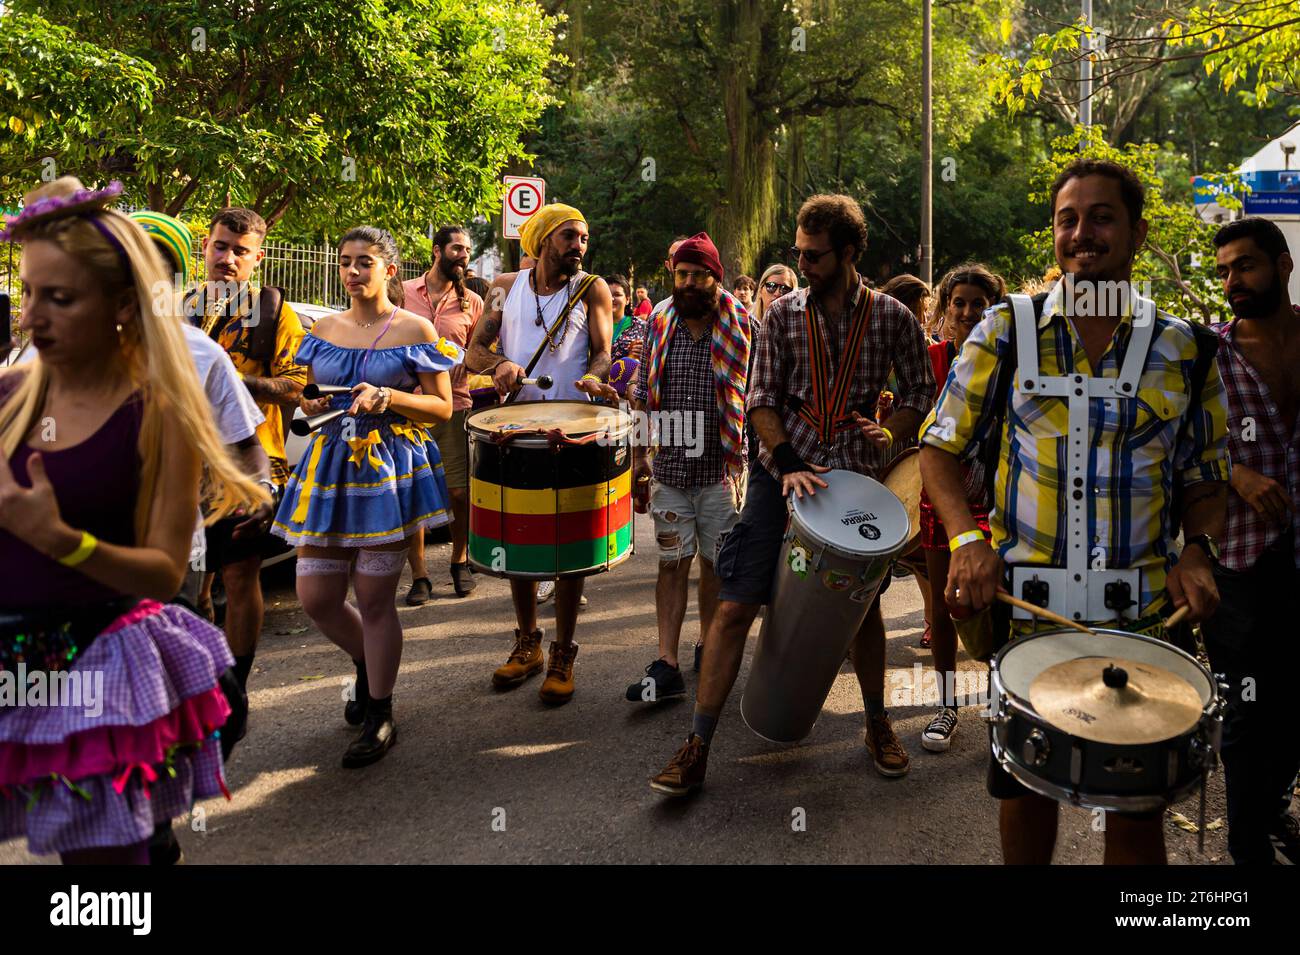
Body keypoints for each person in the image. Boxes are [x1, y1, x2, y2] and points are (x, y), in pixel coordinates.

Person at [920, 158, 1229, 864]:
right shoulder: (1006, 329)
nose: (1081, 233)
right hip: (1029, 616)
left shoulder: (1185, 349)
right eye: (1068, 218)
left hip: (1146, 621)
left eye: (1101, 217)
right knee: (1024, 789)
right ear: (1053, 232)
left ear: (1138, 233)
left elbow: (1206, 478)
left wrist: (1197, 551)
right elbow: (938, 449)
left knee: (1134, 808)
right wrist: (967, 536)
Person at [0, 177, 265, 863]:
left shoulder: (158, 414)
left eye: (59, 298)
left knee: (106, 872)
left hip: (99, 668)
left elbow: (164, 569)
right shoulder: (8, 394)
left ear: (123, 305)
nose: (31, 317)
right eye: (27, 292)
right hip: (11, 667)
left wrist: (60, 540)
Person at [650, 194, 933, 795]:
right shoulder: (780, 317)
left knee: (862, 611)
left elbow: (919, 390)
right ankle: (698, 742)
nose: (802, 265)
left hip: (856, 479)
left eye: (815, 255)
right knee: (735, 605)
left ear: (851, 252)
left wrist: (893, 434)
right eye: (798, 254)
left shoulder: (893, 318)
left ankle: (877, 724)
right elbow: (761, 401)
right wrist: (786, 465)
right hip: (778, 474)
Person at [272, 226, 461, 768]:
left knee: (376, 598)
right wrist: (309, 407)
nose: (354, 273)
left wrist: (389, 395)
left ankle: (381, 711)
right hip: (330, 468)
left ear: (389, 270)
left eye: (365, 263)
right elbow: (309, 396)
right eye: (346, 263)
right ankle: (365, 661)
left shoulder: (415, 328)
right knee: (316, 597)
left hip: (389, 468)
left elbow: (442, 408)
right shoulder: (325, 328)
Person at [465, 203, 617, 705]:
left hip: (570, 428)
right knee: (521, 534)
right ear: (544, 239)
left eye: (584, 238)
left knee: (569, 544)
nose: (580, 246)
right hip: (515, 426)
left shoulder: (591, 287)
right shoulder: (504, 287)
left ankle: (562, 650)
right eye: (571, 237)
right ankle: (527, 641)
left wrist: (596, 377)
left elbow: (601, 351)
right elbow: (474, 354)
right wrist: (502, 363)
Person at [1206, 216, 1300, 865]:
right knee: (1244, 706)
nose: (1233, 282)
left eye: (1245, 266)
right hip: (1238, 561)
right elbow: (1181, 449)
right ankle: (1247, 850)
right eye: (1225, 272)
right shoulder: (1209, 354)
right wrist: (1234, 473)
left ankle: (1271, 808)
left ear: (1283, 263)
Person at [185, 208, 307, 698]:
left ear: (258, 258)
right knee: (192, 581)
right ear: (205, 248)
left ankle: (235, 683)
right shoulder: (180, 305)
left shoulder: (275, 312)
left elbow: (296, 386)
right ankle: (197, 669)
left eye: (240, 251)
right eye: (220, 247)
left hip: (246, 463)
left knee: (238, 575)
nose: (227, 258)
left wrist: (231, 379)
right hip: (180, 463)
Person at [627, 233, 749, 698]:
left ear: (716, 278)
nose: (690, 282)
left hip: (721, 472)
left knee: (716, 565)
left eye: (699, 274)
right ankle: (667, 662)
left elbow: (757, 395)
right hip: (670, 472)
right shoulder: (659, 323)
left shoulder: (741, 326)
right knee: (672, 563)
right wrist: (640, 459)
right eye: (682, 274)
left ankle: (708, 644)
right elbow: (641, 395)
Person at [914, 264, 1004, 752]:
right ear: (944, 310)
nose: (968, 312)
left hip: (996, 502)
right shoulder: (930, 359)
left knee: (994, 604)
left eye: (979, 304)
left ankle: (1000, 703)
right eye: (959, 303)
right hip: (941, 498)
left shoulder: (1009, 362)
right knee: (943, 605)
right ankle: (946, 705)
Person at [401, 225, 484, 604]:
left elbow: (480, 352)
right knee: (412, 491)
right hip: (408, 405)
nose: (463, 255)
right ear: (437, 251)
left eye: (467, 250)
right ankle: (419, 575)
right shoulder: (402, 293)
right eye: (456, 248)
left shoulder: (474, 303)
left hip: (455, 404)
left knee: (457, 491)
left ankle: (460, 560)